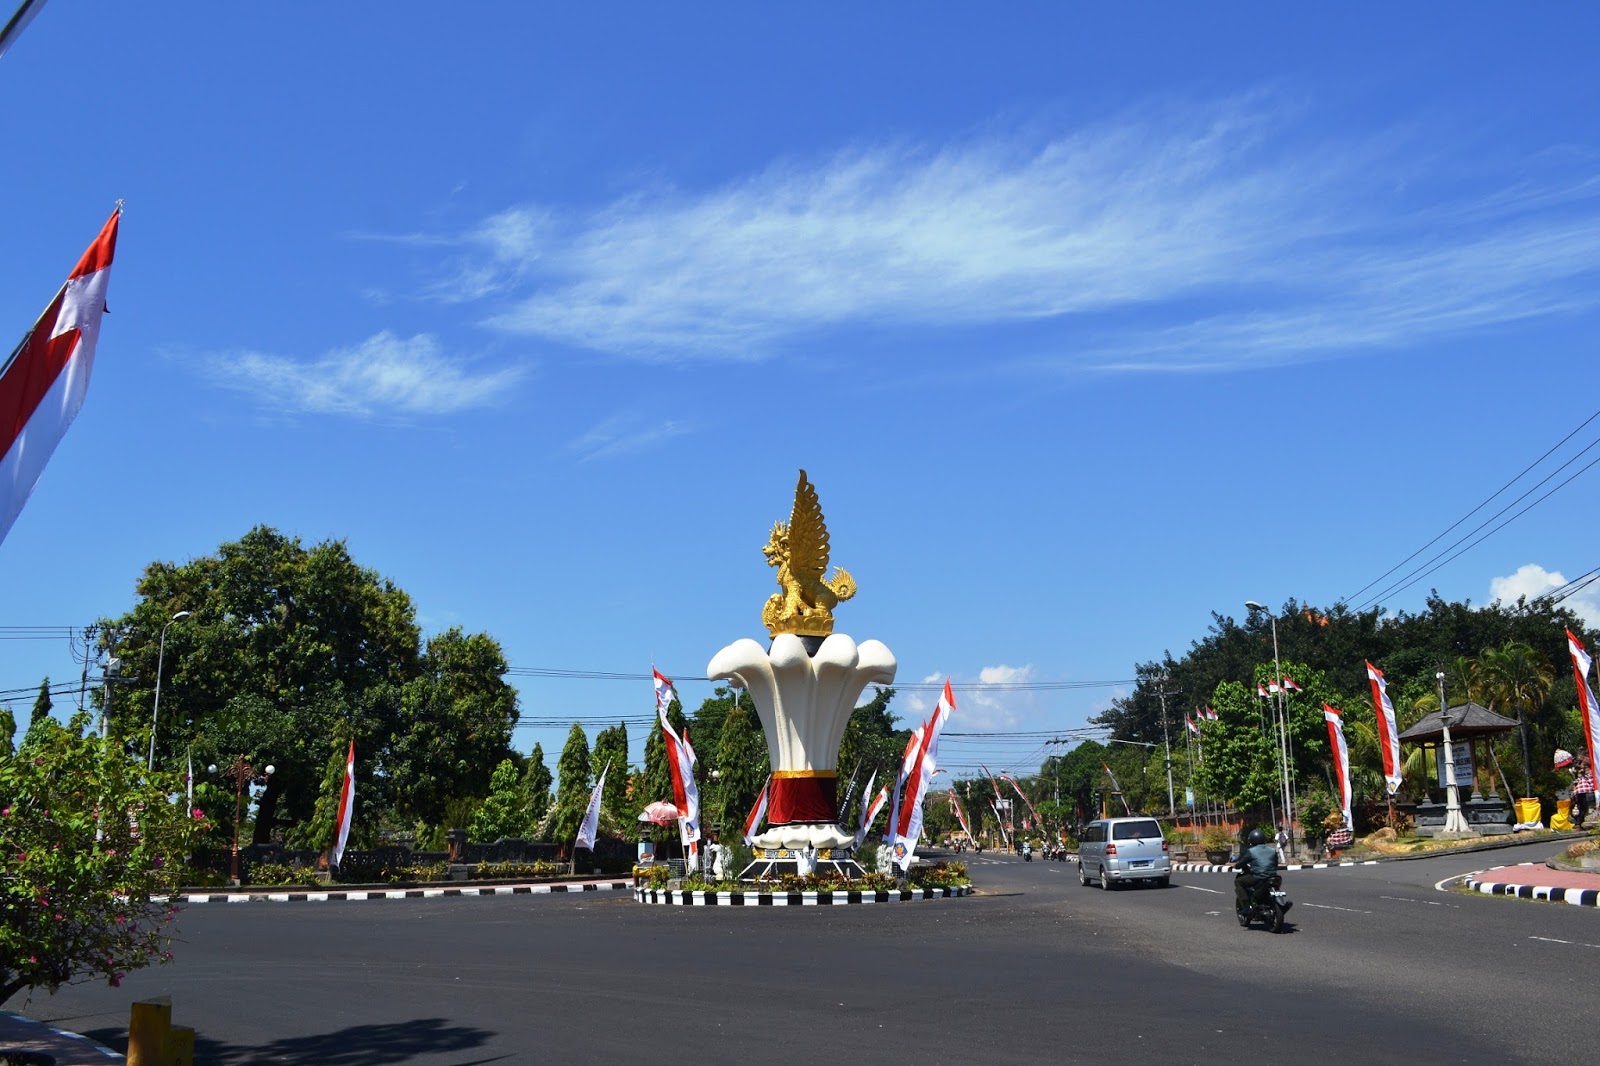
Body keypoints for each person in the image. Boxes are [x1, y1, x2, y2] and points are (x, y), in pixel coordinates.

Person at [1234, 828, 1279, 910]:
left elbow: (1241, 863)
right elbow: (1275, 864)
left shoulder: (1251, 851)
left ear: (1251, 840)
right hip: (1273, 876)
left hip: (1258, 877)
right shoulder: (1272, 850)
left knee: (1238, 881)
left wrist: (1236, 865)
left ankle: (1246, 906)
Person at [1572, 759, 1596, 829]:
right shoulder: (1582, 773)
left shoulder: (1587, 773)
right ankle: (1579, 823)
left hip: (1584, 792)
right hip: (1583, 792)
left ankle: (1579, 823)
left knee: (1583, 808)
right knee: (1582, 808)